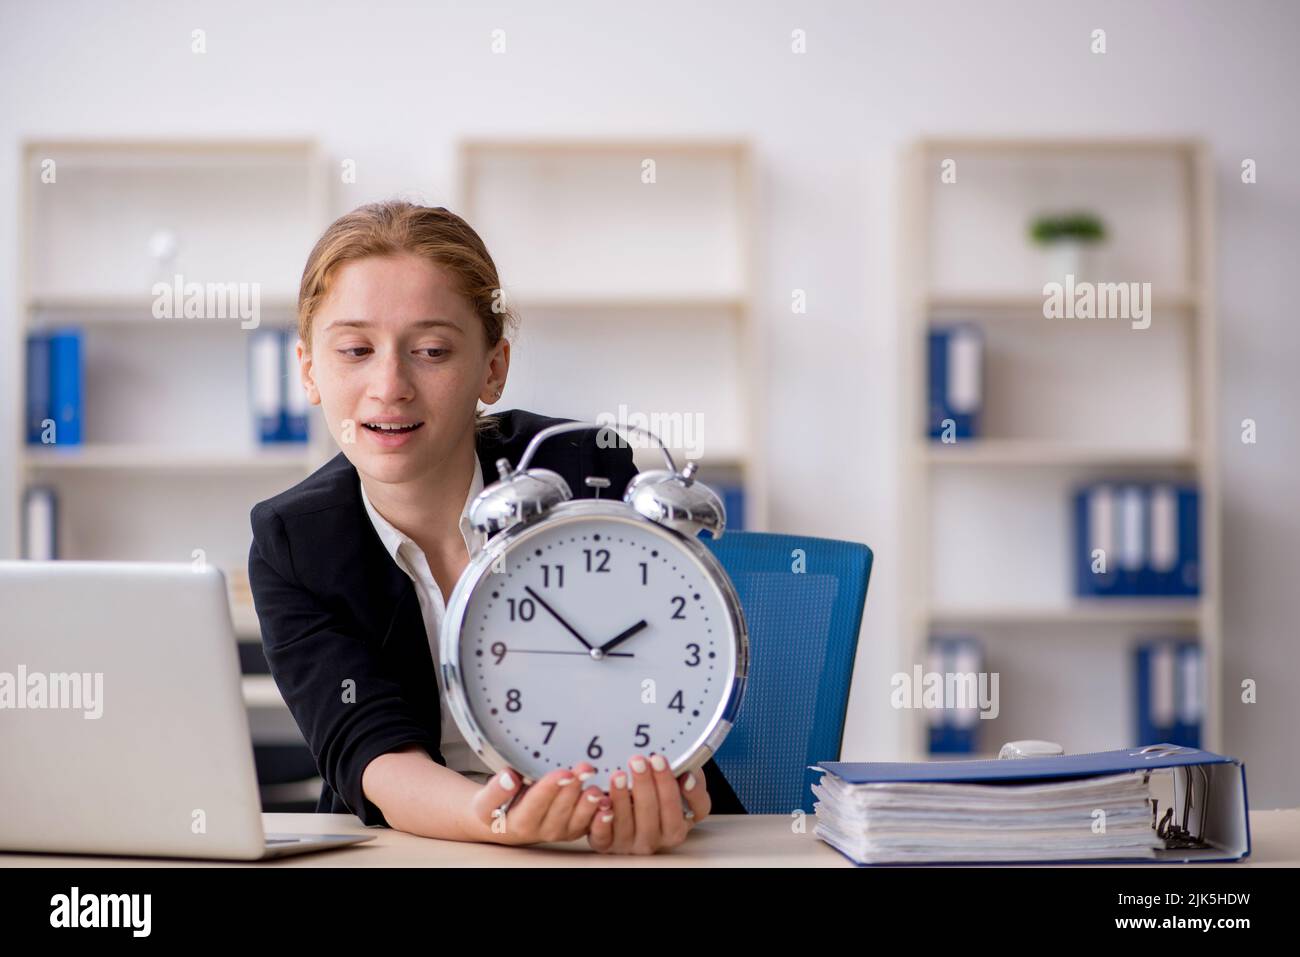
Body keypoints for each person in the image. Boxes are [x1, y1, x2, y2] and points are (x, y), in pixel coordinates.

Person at [248, 200, 744, 855]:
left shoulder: (583, 464)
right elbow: (371, 753)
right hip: (416, 845)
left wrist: (657, 785)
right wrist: (502, 819)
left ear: (493, 367)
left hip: (612, 825)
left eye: (430, 350)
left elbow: (665, 678)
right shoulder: (294, 543)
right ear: (309, 370)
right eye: (355, 350)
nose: (389, 384)